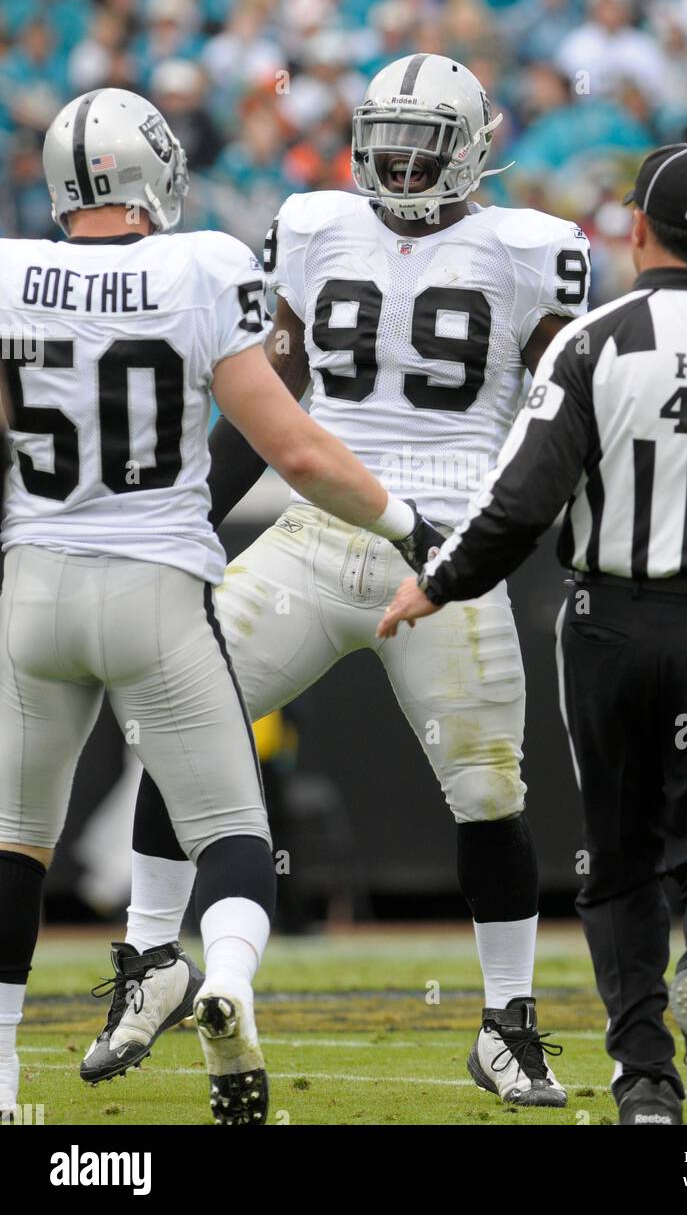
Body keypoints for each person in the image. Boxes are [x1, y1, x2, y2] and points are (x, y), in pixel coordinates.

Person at [84, 54, 590, 1108]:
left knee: (490, 794)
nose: (400, 163)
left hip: (448, 548)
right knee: (183, 729)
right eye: (387, 138)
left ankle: (506, 1022)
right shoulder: (313, 227)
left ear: (471, 150)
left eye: (423, 143)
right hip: (319, 533)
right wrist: (187, 518)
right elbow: (265, 395)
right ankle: (147, 963)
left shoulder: (532, 250)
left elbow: (565, 412)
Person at [379, 142, 687, 1125]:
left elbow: (520, 501)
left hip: (610, 628)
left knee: (618, 856)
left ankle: (645, 1081)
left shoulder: (591, 342)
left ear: (634, 228)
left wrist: (439, 582)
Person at [0, 87, 439, 1125]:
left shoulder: (11, 273)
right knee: (236, 835)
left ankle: (4, 1082)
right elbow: (291, 448)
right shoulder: (204, 264)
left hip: (36, 591)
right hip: (155, 589)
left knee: (16, 841)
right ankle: (225, 983)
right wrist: (409, 523)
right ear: (154, 171)